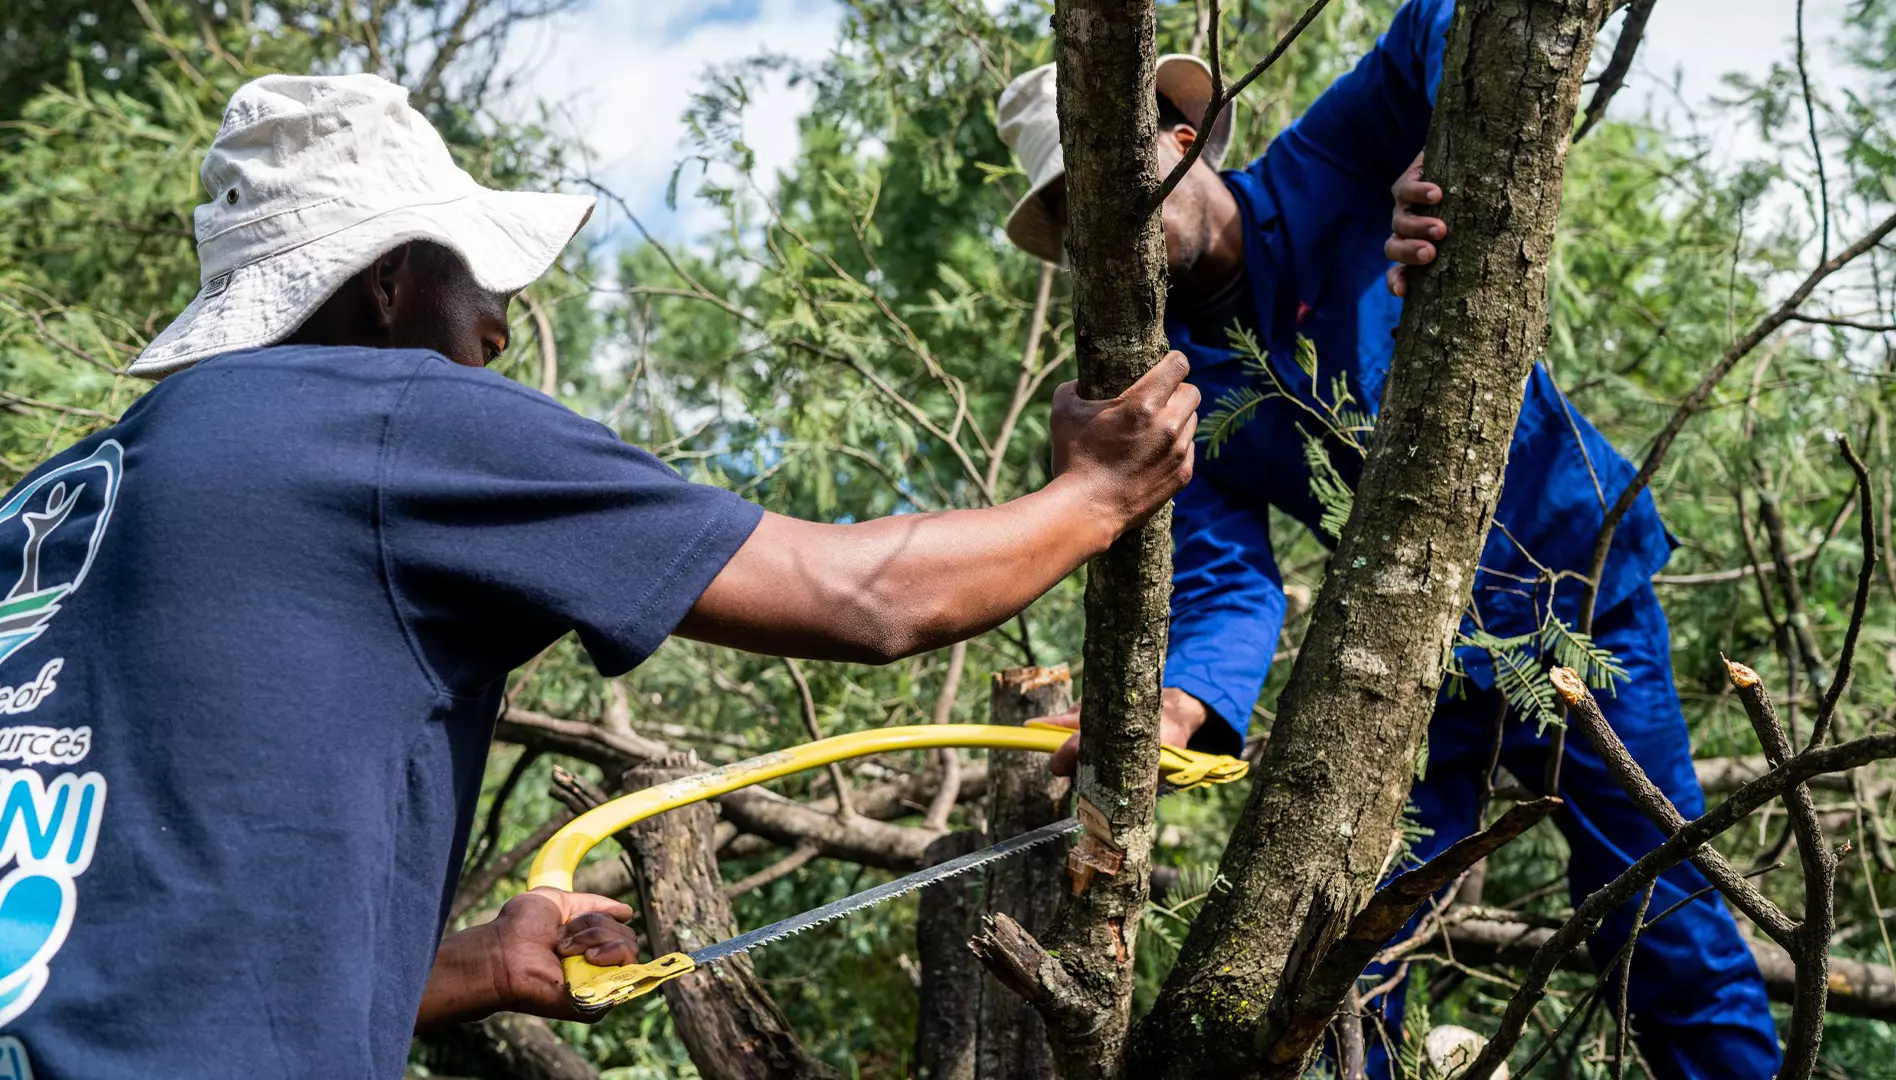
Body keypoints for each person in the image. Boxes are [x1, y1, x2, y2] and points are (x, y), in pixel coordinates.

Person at [0, 73, 1198, 1077]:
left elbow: (131, 939)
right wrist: (1090, 498)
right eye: (484, 282)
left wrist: (474, 966)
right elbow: (866, 597)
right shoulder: (396, 415)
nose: (502, 332)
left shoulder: (50, 507)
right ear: (389, 281)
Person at [994, 4, 1783, 1076]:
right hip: (1416, 666)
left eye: (1115, 172)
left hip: (1581, 591)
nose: (1110, 219)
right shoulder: (1180, 388)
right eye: (1079, 210)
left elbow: (1445, 21)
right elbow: (1230, 588)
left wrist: (1442, 151)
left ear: (1181, 141)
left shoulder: (1333, 155)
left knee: (1666, 933)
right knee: (1345, 968)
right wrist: (1177, 704)